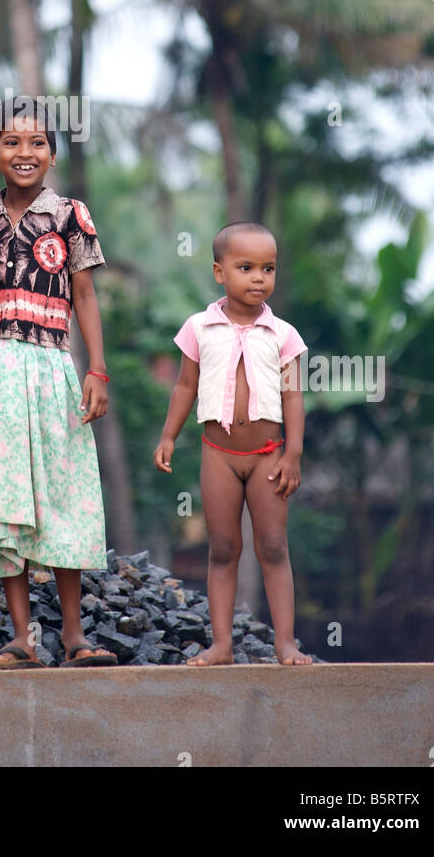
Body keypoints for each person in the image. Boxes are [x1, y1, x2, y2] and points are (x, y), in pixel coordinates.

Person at [0, 102, 118, 668]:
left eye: (37, 143)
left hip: (50, 368)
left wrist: (97, 369)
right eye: (11, 143)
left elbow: (84, 296)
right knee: (7, 500)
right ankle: (21, 637)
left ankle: (74, 635)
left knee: (60, 494)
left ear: (53, 155)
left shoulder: (69, 215)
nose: (25, 153)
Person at [153, 221, 313, 666]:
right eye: (246, 267)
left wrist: (294, 453)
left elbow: (293, 394)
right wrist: (169, 435)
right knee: (222, 548)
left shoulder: (284, 335)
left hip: (269, 457)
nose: (259, 278)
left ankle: (285, 644)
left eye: (268, 268)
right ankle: (222, 644)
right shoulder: (199, 328)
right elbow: (185, 387)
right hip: (218, 455)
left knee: (274, 546)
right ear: (219, 272)